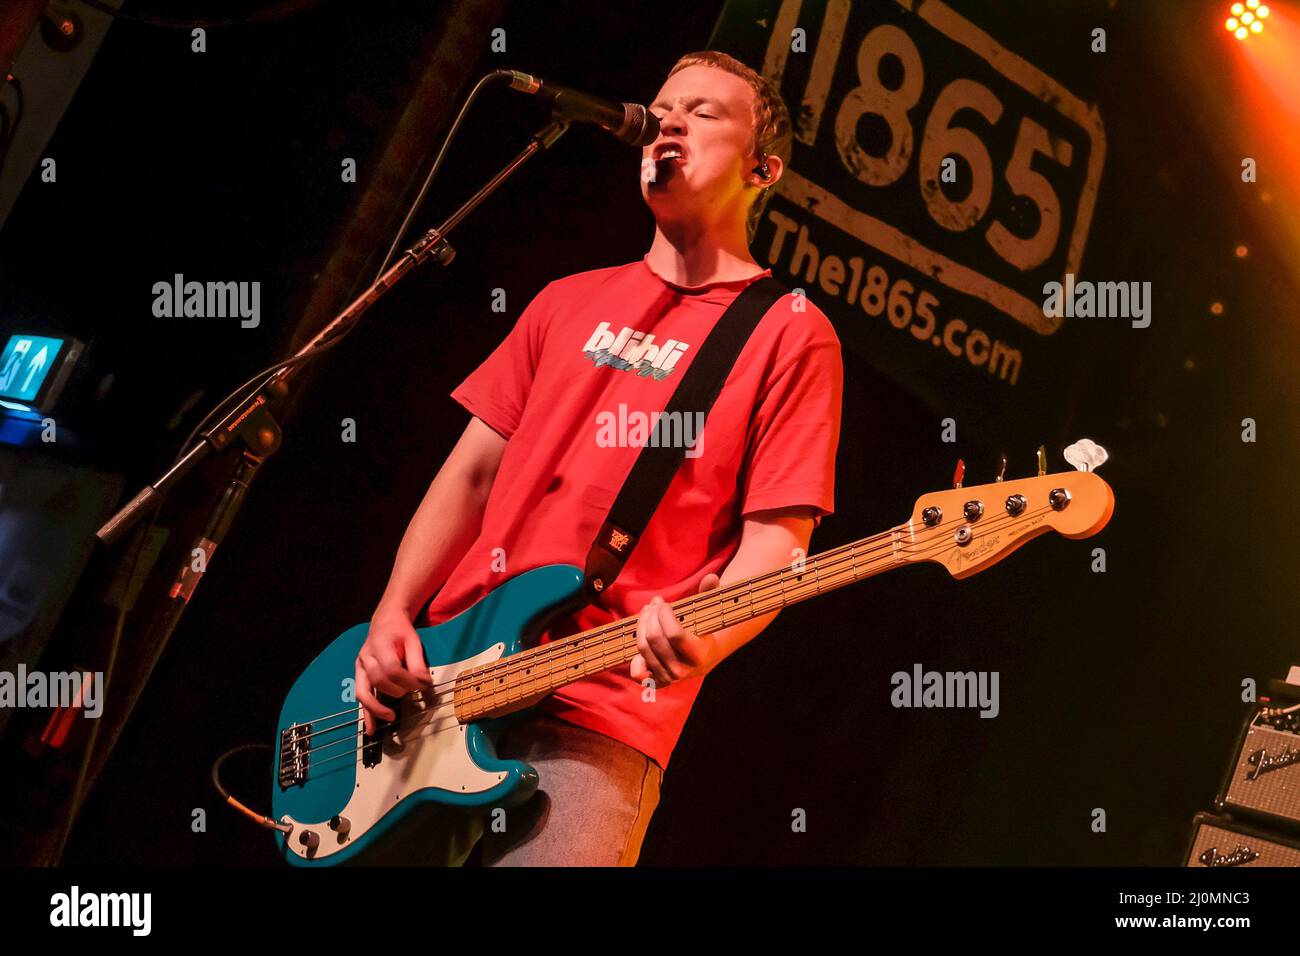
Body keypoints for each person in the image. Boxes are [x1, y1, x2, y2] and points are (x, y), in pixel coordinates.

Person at [355, 50, 843, 866]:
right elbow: (472, 474)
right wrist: (392, 612)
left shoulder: (789, 332)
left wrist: (708, 640)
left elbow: (777, 547)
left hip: (603, 710)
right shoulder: (566, 299)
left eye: (703, 111)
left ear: (763, 169)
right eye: (661, 106)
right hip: (440, 684)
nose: (668, 122)